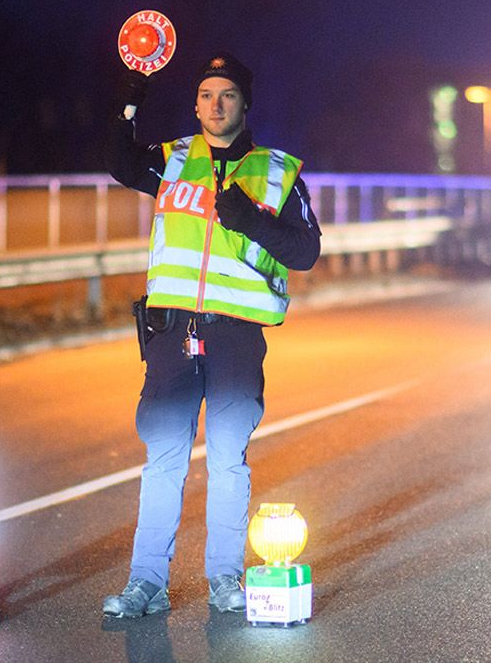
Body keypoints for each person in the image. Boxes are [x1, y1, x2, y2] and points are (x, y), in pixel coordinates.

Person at [102, 52, 321, 618]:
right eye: (205, 95)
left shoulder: (277, 172)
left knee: (227, 460)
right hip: (173, 332)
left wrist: (251, 219)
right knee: (164, 459)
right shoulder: (172, 160)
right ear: (195, 103)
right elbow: (116, 161)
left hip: (236, 337)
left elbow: (306, 251)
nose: (215, 105)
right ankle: (145, 584)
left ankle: (225, 579)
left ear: (245, 104)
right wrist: (131, 96)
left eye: (226, 95)